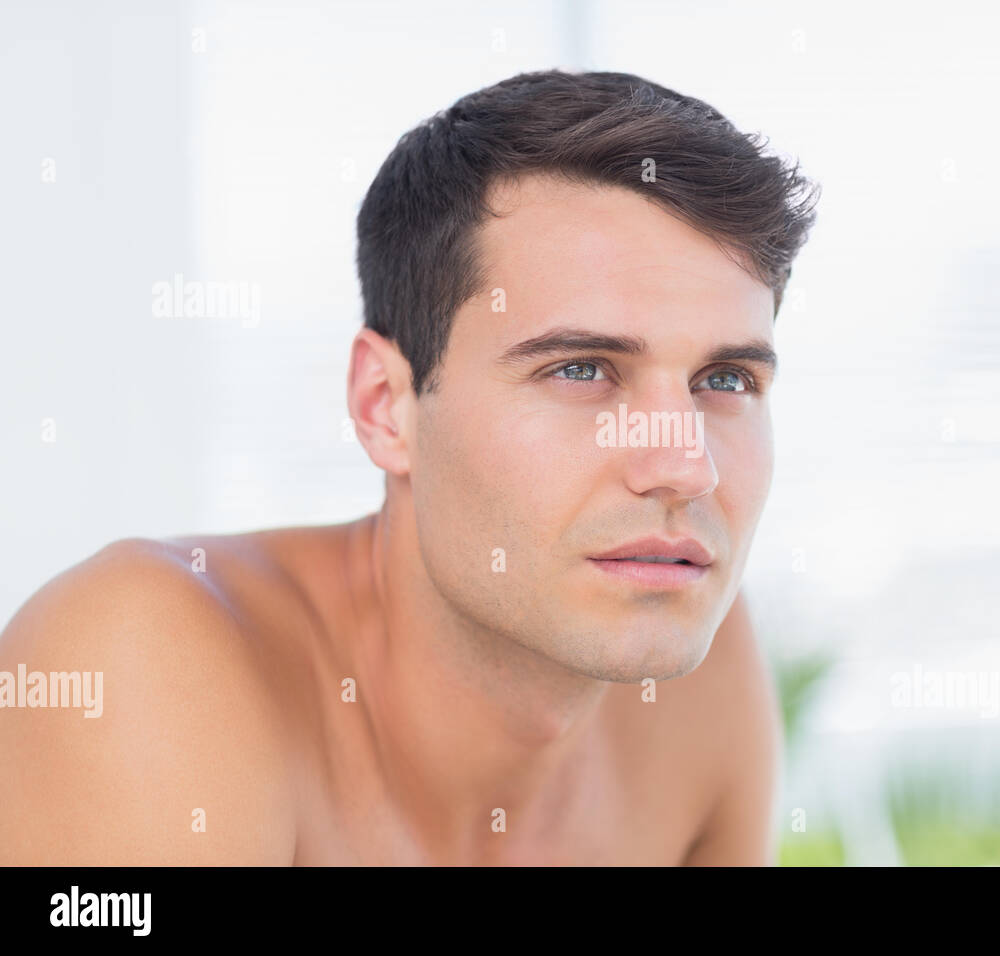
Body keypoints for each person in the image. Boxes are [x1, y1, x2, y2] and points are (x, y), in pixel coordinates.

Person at [0, 69, 820, 865]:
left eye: (725, 380)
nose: (685, 467)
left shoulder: (696, 666)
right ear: (384, 407)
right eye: (581, 370)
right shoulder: (139, 662)